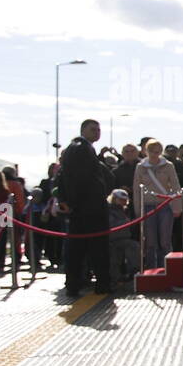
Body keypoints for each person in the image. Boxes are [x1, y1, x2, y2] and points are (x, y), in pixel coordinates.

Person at [57, 118, 114, 295]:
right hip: (89, 208)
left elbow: (63, 176)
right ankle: (100, 284)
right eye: (93, 129)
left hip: (83, 207)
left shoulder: (79, 148)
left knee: (78, 249)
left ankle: (74, 284)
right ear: (83, 130)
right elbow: (77, 178)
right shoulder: (80, 148)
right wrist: (74, 201)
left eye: (98, 129)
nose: (97, 132)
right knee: (95, 248)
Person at [133, 138, 181, 271]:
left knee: (165, 240)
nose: (155, 153)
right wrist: (138, 211)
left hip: (165, 205)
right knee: (150, 241)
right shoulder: (140, 167)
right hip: (148, 205)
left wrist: (177, 207)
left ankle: (165, 268)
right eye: (152, 151)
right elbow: (137, 190)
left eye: (158, 151)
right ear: (146, 151)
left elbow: (176, 186)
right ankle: (151, 269)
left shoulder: (168, 166)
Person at [107, 189, 139, 284]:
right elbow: (111, 225)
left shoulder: (124, 210)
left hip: (123, 238)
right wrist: (127, 222)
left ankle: (131, 272)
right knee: (115, 259)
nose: (123, 202)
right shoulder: (109, 210)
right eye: (121, 199)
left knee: (132, 248)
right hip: (113, 239)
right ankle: (116, 277)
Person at [1, 166, 27, 271]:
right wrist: (20, 211)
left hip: (1, 212)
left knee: (1, 236)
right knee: (15, 236)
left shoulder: (0, 183)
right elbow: (20, 199)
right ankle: (16, 257)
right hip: (13, 213)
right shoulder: (15, 184)